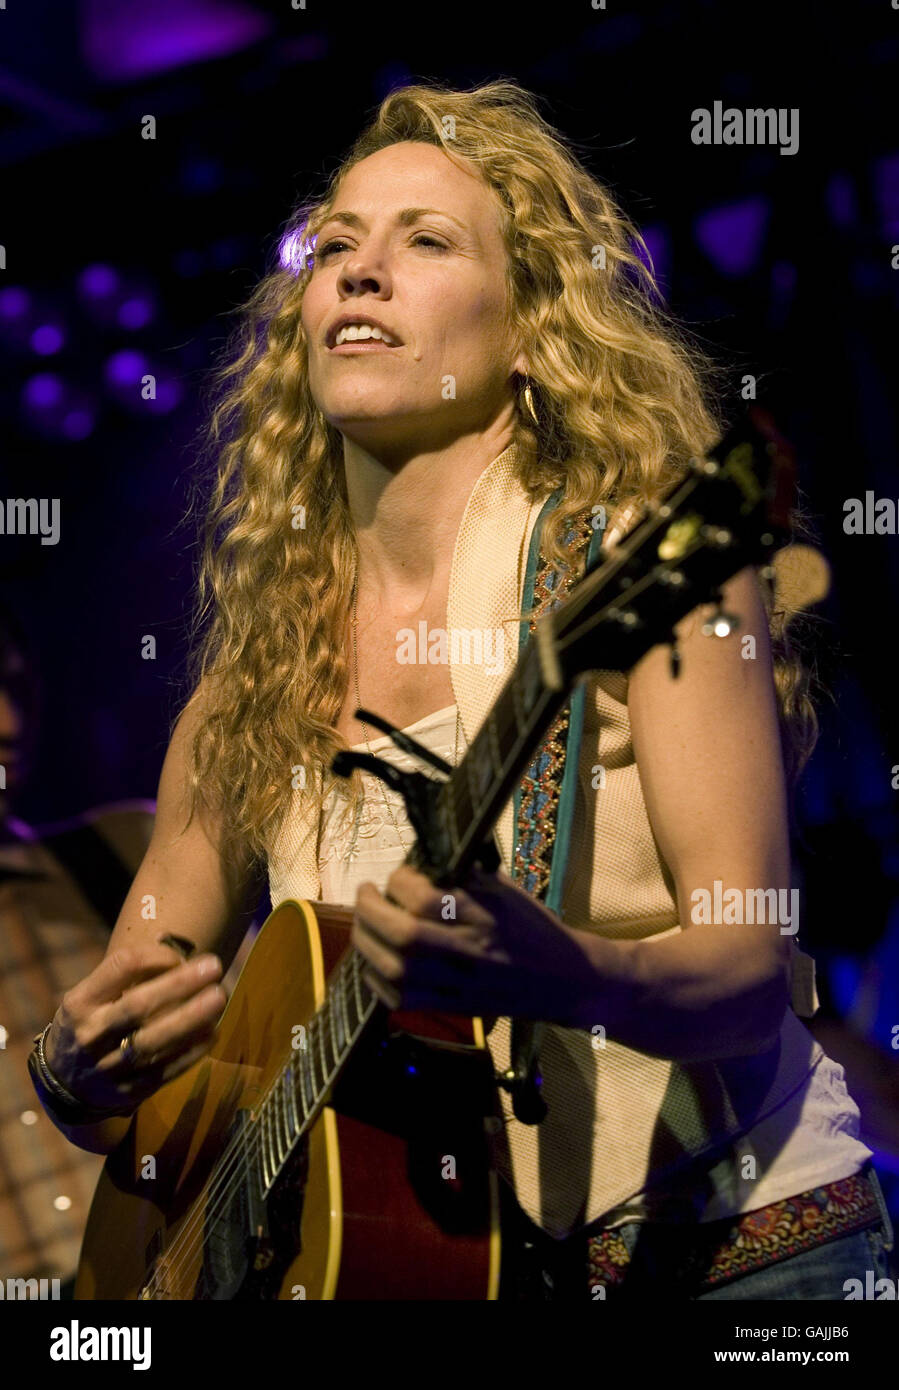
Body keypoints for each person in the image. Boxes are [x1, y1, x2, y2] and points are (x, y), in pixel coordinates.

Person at [29, 79, 894, 1300]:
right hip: (429, 1270)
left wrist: (569, 976)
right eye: (333, 246)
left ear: (534, 327)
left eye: (423, 242)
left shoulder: (637, 559)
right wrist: (77, 1069)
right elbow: (140, 1056)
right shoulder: (249, 683)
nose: (356, 273)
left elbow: (748, 971)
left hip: (731, 1250)